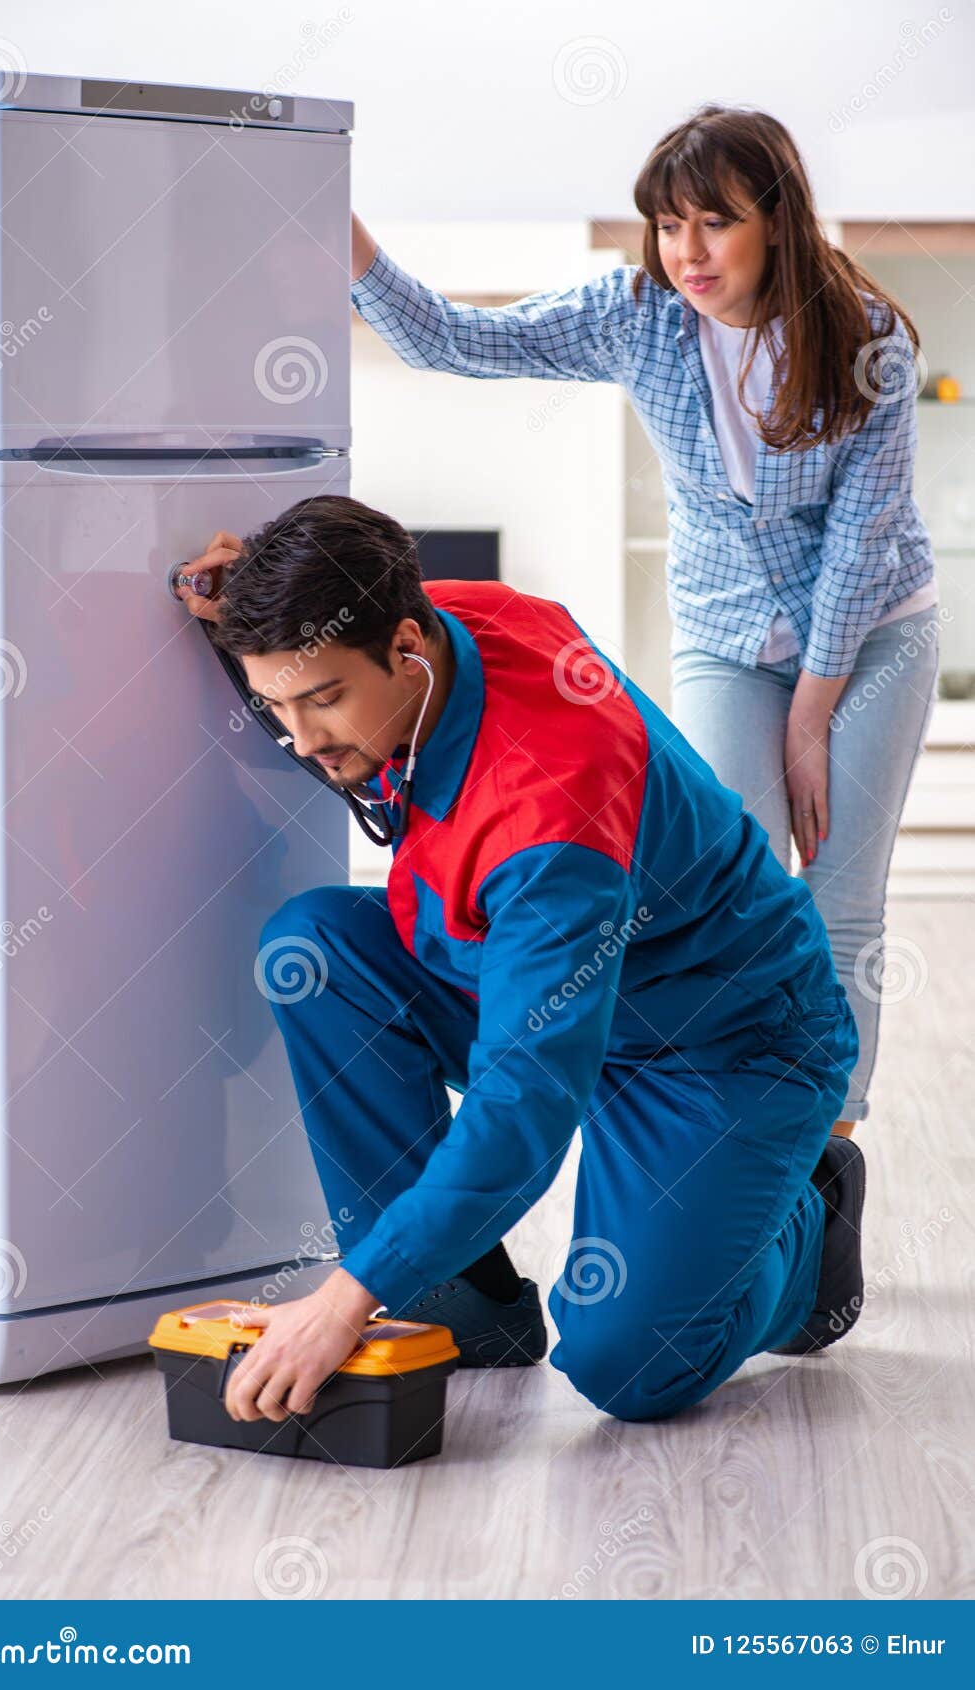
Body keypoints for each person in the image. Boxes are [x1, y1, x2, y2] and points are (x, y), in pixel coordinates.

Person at [175, 495, 863, 1429]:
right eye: (276, 706)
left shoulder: (549, 817)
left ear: (407, 650)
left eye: (323, 699)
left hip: (720, 1038)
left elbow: (523, 1108)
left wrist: (343, 1303)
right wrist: (249, 623)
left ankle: (807, 1229)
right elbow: (334, 653)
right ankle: (459, 1302)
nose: (301, 739)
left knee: (630, 1365)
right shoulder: (438, 619)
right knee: (315, 949)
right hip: (549, 968)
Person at [347, 104, 941, 1140]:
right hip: (726, 632)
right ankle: (733, 1125)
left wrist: (813, 717)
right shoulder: (638, 314)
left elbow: (859, 546)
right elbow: (453, 340)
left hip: (874, 633)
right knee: (734, 881)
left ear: (777, 221)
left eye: (715, 222)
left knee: (840, 898)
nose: (688, 252)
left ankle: (826, 1144)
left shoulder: (870, 342)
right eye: (669, 226)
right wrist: (341, 239)